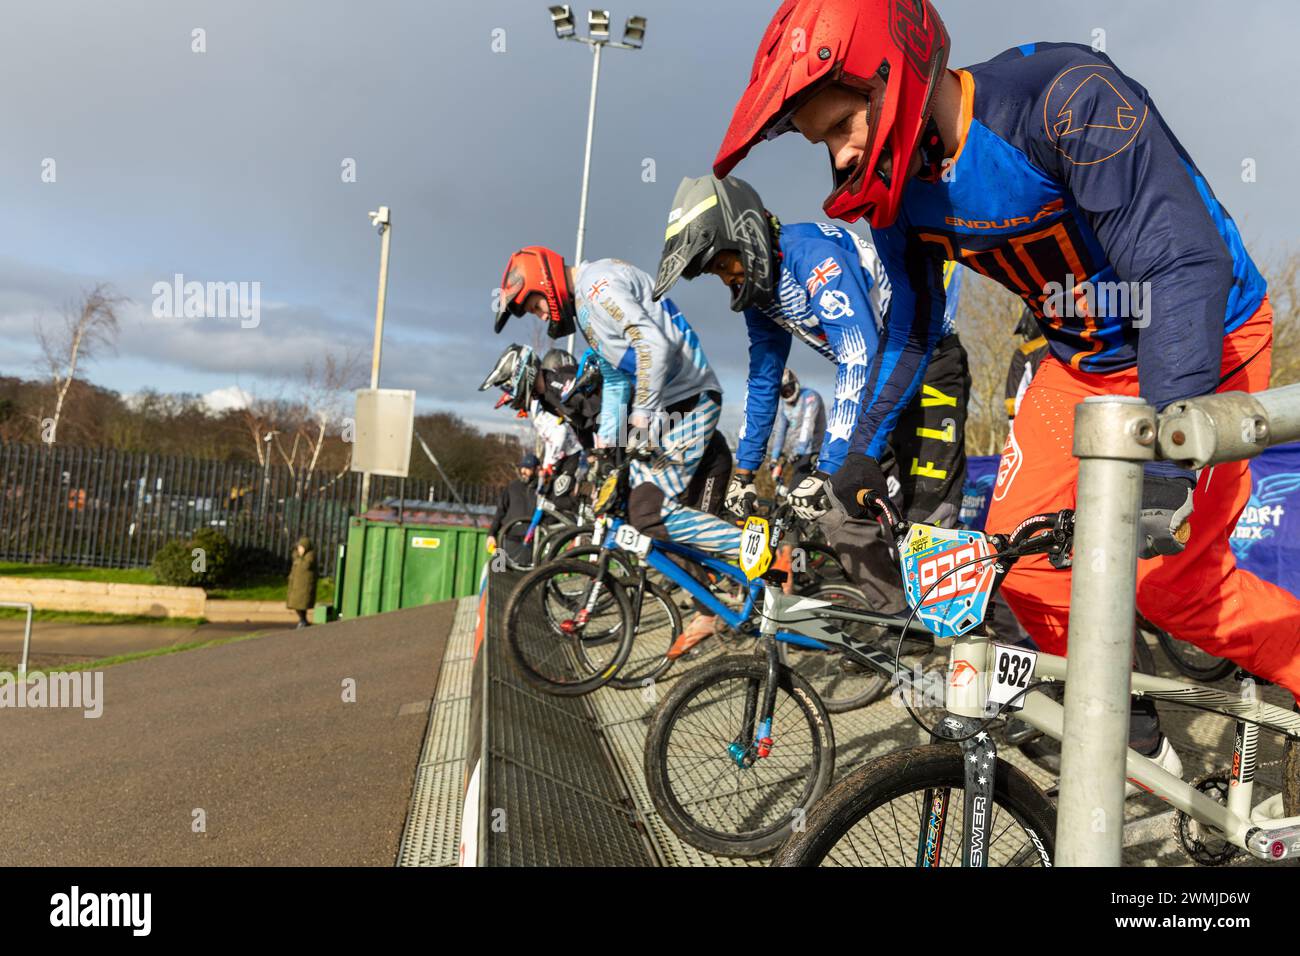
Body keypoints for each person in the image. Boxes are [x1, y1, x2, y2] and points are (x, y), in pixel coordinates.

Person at [714, 0, 1300, 792]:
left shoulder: (1065, 97)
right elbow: (912, 334)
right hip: (1084, 361)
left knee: (1173, 588)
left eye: (844, 124)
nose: (844, 155)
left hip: (1203, 329)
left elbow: (1179, 268)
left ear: (898, 67)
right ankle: (1141, 755)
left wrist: (1167, 460)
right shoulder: (901, 196)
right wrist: (858, 454)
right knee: (1018, 565)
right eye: (824, 142)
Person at [653, 174, 968, 612]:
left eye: (724, 264)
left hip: (928, 366)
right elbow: (764, 379)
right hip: (876, 387)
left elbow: (858, 355)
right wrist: (744, 473)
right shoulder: (760, 292)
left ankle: (964, 630)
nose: (729, 279)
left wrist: (829, 465)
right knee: (835, 507)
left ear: (745, 234)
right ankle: (902, 622)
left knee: (926, 515)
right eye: (718, 274)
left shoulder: (814, 258)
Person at [494, 245, 740, 657]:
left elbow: (652, 346)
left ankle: (756, 550)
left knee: (648, 511)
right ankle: (711, 604)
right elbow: (615, 380)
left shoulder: (597, 285)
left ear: (542, 283)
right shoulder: (589, 307)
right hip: (671, 406)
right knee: (635, 511)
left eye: (533, 305)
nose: (539, 314)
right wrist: (607, 451)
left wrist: (639, 423)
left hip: (689, 399)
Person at [479, 344, 585, 511]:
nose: (515, 406)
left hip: (574, 453)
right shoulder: (540, 407)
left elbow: (559, 433)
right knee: (551, 495)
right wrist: (546, 463)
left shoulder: (543, 404)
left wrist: (549, 462)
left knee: (560, 496)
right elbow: (550, 440)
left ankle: (584, 512)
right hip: (568, 452)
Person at [768, 369, 826, 489]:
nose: (788, 394)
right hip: (797, 454)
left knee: (795, 492)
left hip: (813, 451)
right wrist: (774, 457)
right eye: (783, 392)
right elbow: (780, 431)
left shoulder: (810, 396)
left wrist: (799, 449)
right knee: (783, 487)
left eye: (789, 390)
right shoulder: (785, 405)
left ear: (795, 384)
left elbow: (808, 423)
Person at [487, 453, 540, 563]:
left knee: (526, 577)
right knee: (500, 572)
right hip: (509, 539)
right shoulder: (512, 487)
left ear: (536, 470)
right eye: (522, 467)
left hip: (531, 544)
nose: (523, 471)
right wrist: (491, 534)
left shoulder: (542, 490)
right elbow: (500, 511)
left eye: (528, 468)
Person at [1005, 307, 1049, 424]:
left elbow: (1014, 398)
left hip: (1035, 420)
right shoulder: (1065, 347)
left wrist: (1014, 423)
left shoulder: (1024, 353)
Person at [286, 537, 318, 629]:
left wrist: (297, 558)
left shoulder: (310, 556)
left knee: (302, 604)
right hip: (297, 586)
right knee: (298, 605)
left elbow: (305, 566)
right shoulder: (300, 558)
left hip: (304, 587)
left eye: (301, 548)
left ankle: (303, 620)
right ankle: (303, 620)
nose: (299, 550)